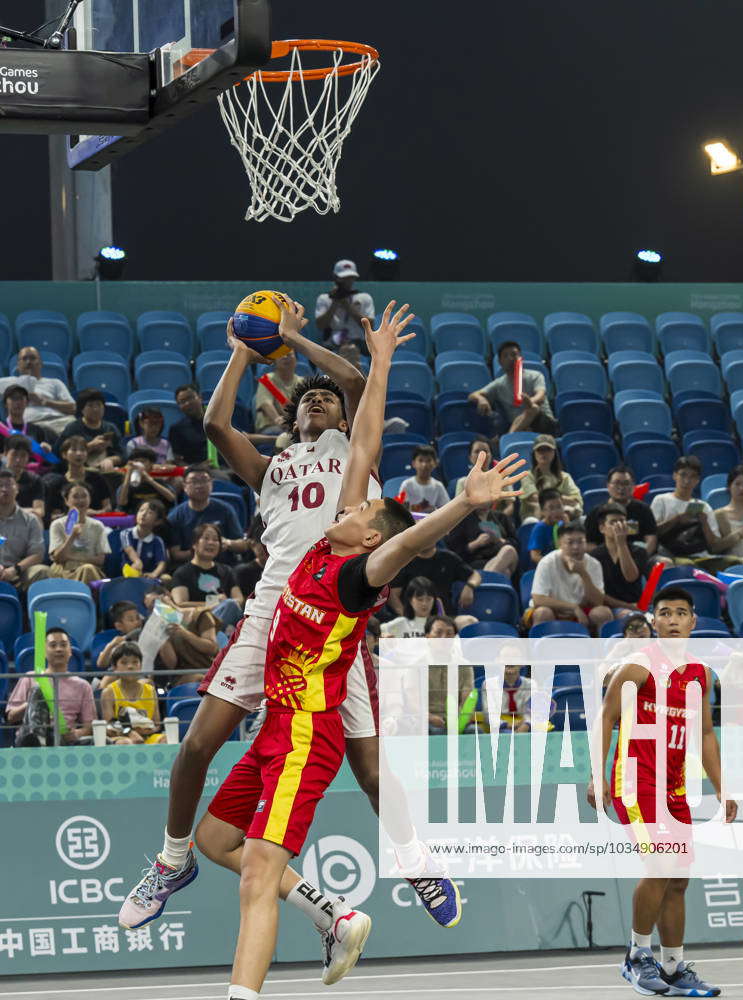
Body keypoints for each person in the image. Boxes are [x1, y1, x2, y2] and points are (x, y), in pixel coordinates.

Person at [118, 299, 461, 976]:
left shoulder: (353, 466)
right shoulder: (270, 467)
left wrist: (294, 337)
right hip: (275, 605)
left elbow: (361, 386)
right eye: (310, 403)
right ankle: (173, 857)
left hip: (339, 613)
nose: (321, 406)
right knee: (196, 744)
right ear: (291, 416)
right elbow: (216, 421)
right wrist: (246, 351)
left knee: (367, 768)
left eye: (329, 403)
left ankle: (416, 860)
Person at [193, 315, 524, 1000]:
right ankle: (331, 916)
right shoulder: (316, 537)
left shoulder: (354, 569)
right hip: (277, 691)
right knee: (213, 839)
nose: (354, 499)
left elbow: (401, 533)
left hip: (313, 707)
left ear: (366, 528)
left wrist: (461, 502)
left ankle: (413, 861)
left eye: (365, 503)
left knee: (292, 839)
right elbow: (350, 432)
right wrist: (374, 362)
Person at [587, 586, 737, 997]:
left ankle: (672, 966)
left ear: (693, 622)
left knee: (678, 880)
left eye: (681, 613)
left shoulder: (701, 675)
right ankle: (637, 956)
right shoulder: (638, 666)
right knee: (660, 866)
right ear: (653, 621)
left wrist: (723, 789)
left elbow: (705, 734)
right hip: (634, 781)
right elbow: (605, 719)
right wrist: (596, 776)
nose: (672, 620)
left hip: (674, 786)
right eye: (665, 613)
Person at [650, 456, 740, 572]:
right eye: (683, 475)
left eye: (692, 477)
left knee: (734, 562)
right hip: (673, 554)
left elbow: (714, 544)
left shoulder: (704, 506)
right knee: (687, 566)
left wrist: (704, 523)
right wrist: (677, 520)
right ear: (675, 476)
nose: (687, 481)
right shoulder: (661, 500)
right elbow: (652, 532)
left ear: (697, 481)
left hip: (700, 555)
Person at [7, 628, 95, 745]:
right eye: (53, 645)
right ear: (43, 651)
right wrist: (32, 704)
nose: (59, 649)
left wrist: (77, 733)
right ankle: (38, 738)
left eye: (63, 645)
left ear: (70, 651)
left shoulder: (82, 686)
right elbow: (11, 716)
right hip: (29, 740)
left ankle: (43, 740)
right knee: (38, 692)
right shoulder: (29, 678)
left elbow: (90, 725)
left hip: (62, 739)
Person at [529, 522, 612, 632]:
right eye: (570, 542)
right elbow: (538, 599)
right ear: (559, 544)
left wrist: (583, 573)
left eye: (580, 542)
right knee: (542, 613)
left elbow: (598, 601)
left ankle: (605, 648)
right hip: (555, 609)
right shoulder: (547, 563)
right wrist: (573, 607)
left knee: (603, 613)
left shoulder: (594, 564)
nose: (576, 547)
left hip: (583, 610)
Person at [28, 481, 109, 585]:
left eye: (84, 496)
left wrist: (72, 558)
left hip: (90, 571)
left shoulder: (98, 526)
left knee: (87, 569)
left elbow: (100, 560)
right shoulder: (57, 525)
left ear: (90, 499)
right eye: (75, 497)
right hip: (63, 571)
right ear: (66, 501)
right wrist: (72, 536)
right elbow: (58, 558)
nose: (80, 500)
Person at [468, 340, 558, 435]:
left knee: (533, 408)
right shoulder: (499, 384)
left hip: (544, 423)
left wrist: (529, 402)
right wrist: (481, 399)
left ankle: (510, 437)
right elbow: (472, 395)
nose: (510, 358)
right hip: (519, 424)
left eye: (514, 354)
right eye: (506, 356)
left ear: (520, 358)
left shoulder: (535, 375)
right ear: (500, 362)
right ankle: (511, 437)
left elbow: (541, 396)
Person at [170, 522, 245, 631]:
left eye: (215, 540)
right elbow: (180, 604)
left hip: (226, 617)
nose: (211, 543)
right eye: (206, 538)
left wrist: (224, 605)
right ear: (194, 544)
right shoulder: (182, 573)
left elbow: (238, 599)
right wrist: (214, 604)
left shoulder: (226, 571)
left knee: (232, 606)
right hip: (198, 621)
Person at [167, 466, 243, 565]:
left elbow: (242, 545)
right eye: (194, 481)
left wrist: (228, 543)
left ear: (211, 483)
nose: (199, 485)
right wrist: (201, 550)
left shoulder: (226, 509)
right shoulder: (175, 515)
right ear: (184, 486)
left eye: (204, 481)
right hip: (190, 569)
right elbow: (175, 554)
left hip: (224, 567)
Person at [388, 543, 481, 623]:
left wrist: (469, 586)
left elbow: (475, 575)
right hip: (413, 617)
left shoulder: (448, 557)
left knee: (469, 621)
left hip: (444, 617)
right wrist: (405, 615)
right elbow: (393, 594)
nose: (426, 538)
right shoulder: (404, 561)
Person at [584, 465, 659, 558]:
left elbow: (651, 538)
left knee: (664, 564)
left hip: (638, 555)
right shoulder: (596, 512)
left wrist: (642, 558)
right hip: (606, 558)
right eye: (616, 483)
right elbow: (588, 543)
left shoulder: (644, 509)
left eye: (626, 483)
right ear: (608, 486)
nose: (621, 488)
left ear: (633, 486)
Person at [101, 641, 166, 745]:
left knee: (165, 740)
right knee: (125, 743)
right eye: (124, 662)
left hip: (147, 735)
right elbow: (109, 728)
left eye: (135, 662)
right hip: (121, 737)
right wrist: (130, 733)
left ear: (140, 666)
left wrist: (143, 732)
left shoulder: (150, 690)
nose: (130, 666)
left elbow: (157, 724)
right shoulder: (108, 692)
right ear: (114, 667)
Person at [590, 504, 649, 619]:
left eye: (622, 521)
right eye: (613, 522)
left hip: (636, 604)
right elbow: (599, 594)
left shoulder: (639, 551)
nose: (619, 526)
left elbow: (631, 577)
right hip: (611, 607)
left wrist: (621, 544)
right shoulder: (594, 556)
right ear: (602, 528)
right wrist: (628, 607)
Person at [0, 346, 75, 433]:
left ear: (40, 363)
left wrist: (45, 402)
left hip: (59, 421)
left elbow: (73, 408)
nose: (28, 362)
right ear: (18, 365)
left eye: (33, 358)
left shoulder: (55, 382)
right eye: (24, 359)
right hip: (29, 426)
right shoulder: (7, 382)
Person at [41, 434, 112, 524]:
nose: (79, 454)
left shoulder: (97, 478)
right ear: (64, 455)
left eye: (82, 450)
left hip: (95, 523)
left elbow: (108, 507)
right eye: (74, 450)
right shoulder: (57, 483)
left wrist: (96, 513)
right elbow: (54, 515)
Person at [446, 496, 519, 578]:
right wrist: (476, 544)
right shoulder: (462, 520)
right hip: (475, 562)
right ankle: (487, 581)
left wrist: (500, 540)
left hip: (502, 556)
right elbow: (453, 552)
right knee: (505, 572)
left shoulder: (502, 517)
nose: (483, 501)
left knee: (508, 550)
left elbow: (516, 545)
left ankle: (485, 583)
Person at [55, 389, 125, 474]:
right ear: (82, 409)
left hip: (108, 472)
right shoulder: (72, 429)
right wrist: (89, 447)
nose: (95, 409)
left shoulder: (111, 428)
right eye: (90, 405)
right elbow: (59, 454)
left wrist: (110, 460)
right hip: (80, 472)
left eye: (99, 405)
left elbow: (122, 455)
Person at [518, 434, 583, 522]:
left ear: (554, 453)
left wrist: (554, 504)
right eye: (540, 450)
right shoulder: (527, 476)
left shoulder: (565, 477)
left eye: (548, 450)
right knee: (531, 520)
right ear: (534, 454)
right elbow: (534, 498)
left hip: (563, 516)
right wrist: (562, 500)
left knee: (582, 519)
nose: (543, 454)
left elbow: (576, 500)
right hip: (537, 517)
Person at [315, 258, 375, 349]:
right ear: (335, 278)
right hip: (333, 342)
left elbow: (370, 326)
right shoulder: (324, 299)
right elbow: (320, 326)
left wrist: (347, 306)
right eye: (343, 278)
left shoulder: (365, 297)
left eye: (350, 277)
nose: (347, 281)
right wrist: (334, 303)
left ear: (355, 278)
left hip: (358, 342)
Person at [0, 468, 45, 588]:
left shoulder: (30, 520)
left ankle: (34, 607)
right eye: (0, 485)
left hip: (18, 572)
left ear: (17, 489)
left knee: (42, 571)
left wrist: (15, 570)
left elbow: (37, 554)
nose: (4, 489)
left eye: (9, 485)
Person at [254, 350, 304, 433]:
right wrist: (278, 420)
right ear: (274, 361)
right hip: (271, 426)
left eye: (289, 354)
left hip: (294, 425)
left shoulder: (302, 382)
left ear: (296, 360)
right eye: (281, 355)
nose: (285, 357)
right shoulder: (267, 380)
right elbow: (265, 404)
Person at [116, 446, 177, 514]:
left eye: (143, 461)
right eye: (136, 461)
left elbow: (172, 499)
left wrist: (150, 480)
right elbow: (122, 503)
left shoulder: (159, 482)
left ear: (151, 464)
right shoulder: (127, 485)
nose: (139, 464)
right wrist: (128, 475)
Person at [1, 383, 59, 452]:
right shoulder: (1, 428)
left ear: (27, 403)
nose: (18, 402)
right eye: (14, 398)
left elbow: (46, 455)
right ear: (5, 403)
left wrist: (47, 450)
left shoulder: (37, 430)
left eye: (21, 398)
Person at [120, 499, 168, 579]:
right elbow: (129, 549)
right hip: (126, 575)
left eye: (150, 513)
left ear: (157, 521)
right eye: (141, 510)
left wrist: (154, 574)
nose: (143, 514)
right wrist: (137, 561)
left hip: (147, 577)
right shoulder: (126, 533)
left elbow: (161, 563)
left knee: (166, 578)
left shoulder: (157, 541)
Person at [2, 435, 44, 520]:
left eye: (23, 455)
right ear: (5, 453)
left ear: (28, 457)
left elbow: (39, 511)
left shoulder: (35, 480)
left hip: (25, 523)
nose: (18, 460)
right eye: (14, 454)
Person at [96, 601, 145, 672]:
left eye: (138, 618)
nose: (137, 622)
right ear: (119, 626)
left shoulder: (145, 637)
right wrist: (111, 645)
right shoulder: (119, 643)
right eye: (131, 620)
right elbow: (101, 664)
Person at [398, 445, 450, 513]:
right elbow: (398, 506)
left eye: (428, 460)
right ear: (413, 463)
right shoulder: (406, 485)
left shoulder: (438, 486)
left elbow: (446, 509)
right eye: (420, 460)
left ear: (435, 463)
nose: (424, 465)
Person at [170, 384, 209, 465]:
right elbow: (177, 460)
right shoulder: (177, 429)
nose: (187, 403)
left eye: (190, 398)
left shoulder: (218, 419)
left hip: (230, 468)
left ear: (200, 397)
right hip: (198, 472)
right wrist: (197, 468)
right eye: (182, 401)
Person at [528, 488, 567, 564]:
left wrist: (567, 526)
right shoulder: (540, 529)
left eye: (559, 506)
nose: (556, 511)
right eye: (551, 508)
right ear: (542, 511)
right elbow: (534, 556)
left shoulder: (563, 524)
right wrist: (551, 565)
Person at [234, 514, 268, 600]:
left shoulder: (283, 569)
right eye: (263, 545)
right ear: (252, 544)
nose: (267, 549)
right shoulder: (243, 571)